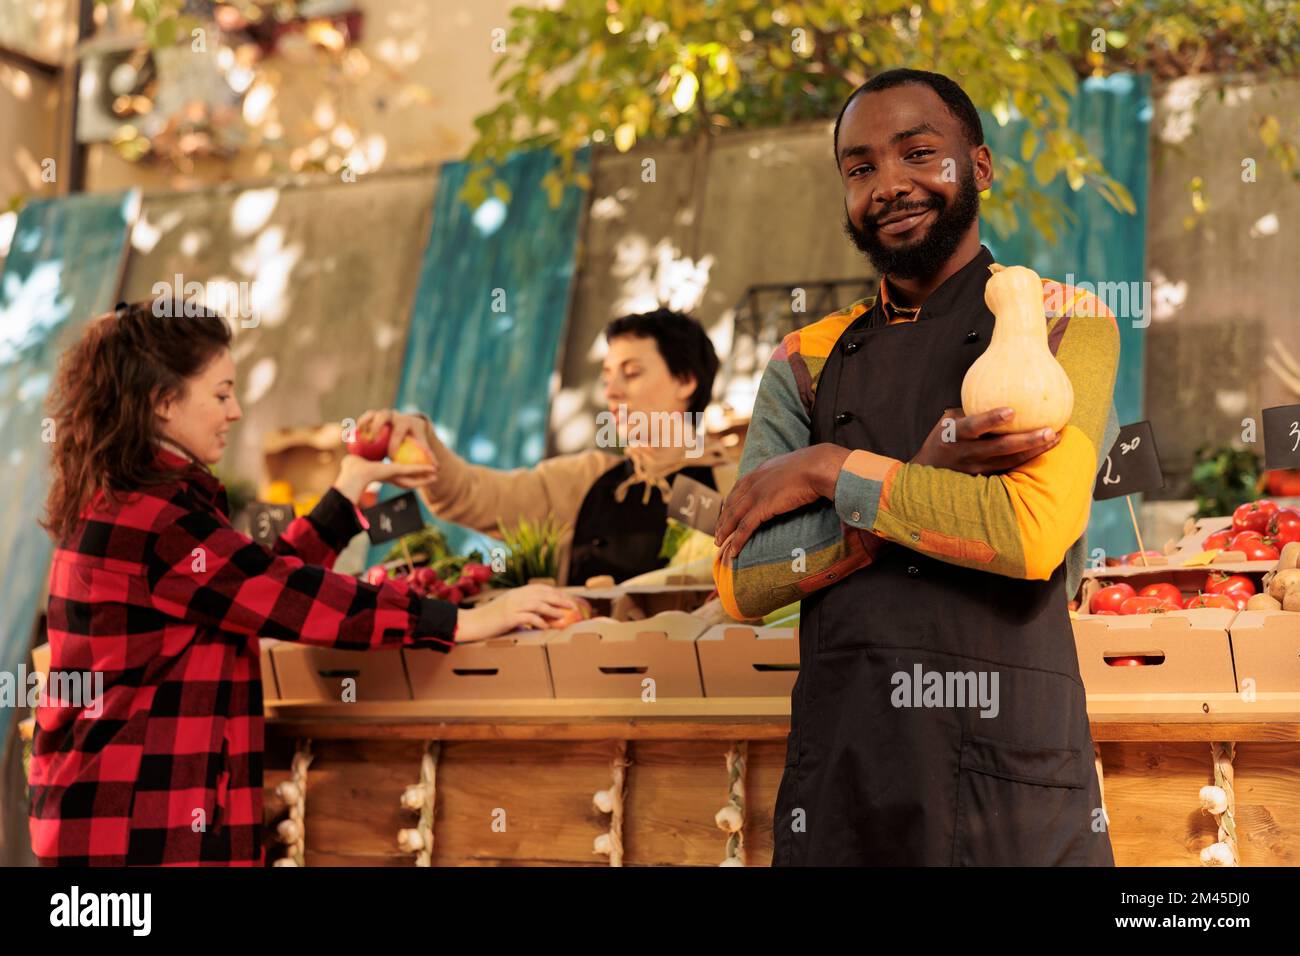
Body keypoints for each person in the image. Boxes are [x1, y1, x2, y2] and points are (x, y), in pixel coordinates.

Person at [712, 69, 1121, 866]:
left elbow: (1029, 532)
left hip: (1012, 774)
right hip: (844, 771)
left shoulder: (1065, 321)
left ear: (979, 165)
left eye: (919, 153)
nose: (889, 186)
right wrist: (926, 475)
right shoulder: (804, 358)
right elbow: (745, 580)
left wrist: (832, 471)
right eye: (860, 169)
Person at [28, 299, 576, 866]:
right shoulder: (158, 518)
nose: (235, 411)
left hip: (116, 824)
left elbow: (251, 588)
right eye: (221, 394)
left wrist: (347, 494)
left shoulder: (138, 500)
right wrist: (460, 621)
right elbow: (287, 598)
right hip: (136, 833)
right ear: (164, 402)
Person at [361, 308, 733, 586]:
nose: (612, 391)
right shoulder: (586, 478)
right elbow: (474, 495)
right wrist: (425, 441)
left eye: (631, 373)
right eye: (607, 376)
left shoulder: (732, 484)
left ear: (685, 381)